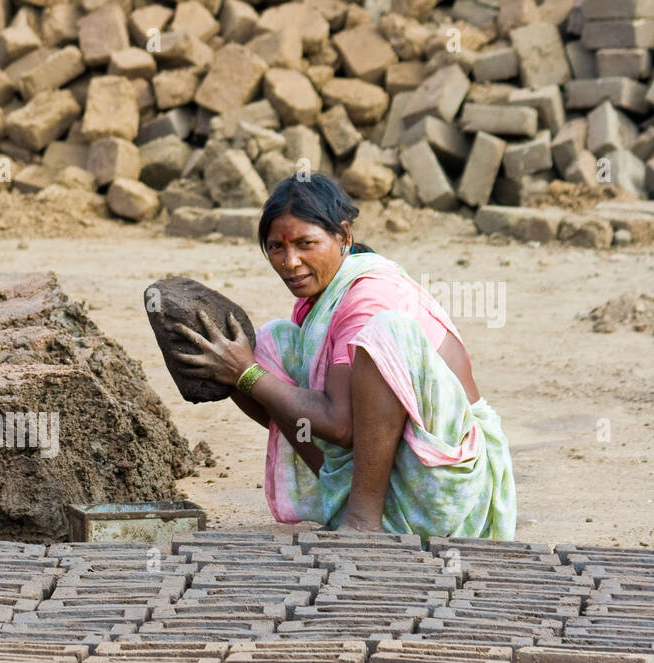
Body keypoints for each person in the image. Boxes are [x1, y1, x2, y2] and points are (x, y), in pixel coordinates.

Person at [170, 173, 515, 539]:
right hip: (398, 474)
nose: (290, 261)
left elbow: (341, 425)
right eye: (276, 247)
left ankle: (363, 522)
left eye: (307, 243)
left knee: (386, 333)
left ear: (344, 237)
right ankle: (342, 495)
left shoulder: (369, 295)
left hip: (451, 492)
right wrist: (243, 367)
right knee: (268, 343)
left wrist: (247, 374)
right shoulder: (319, 297)